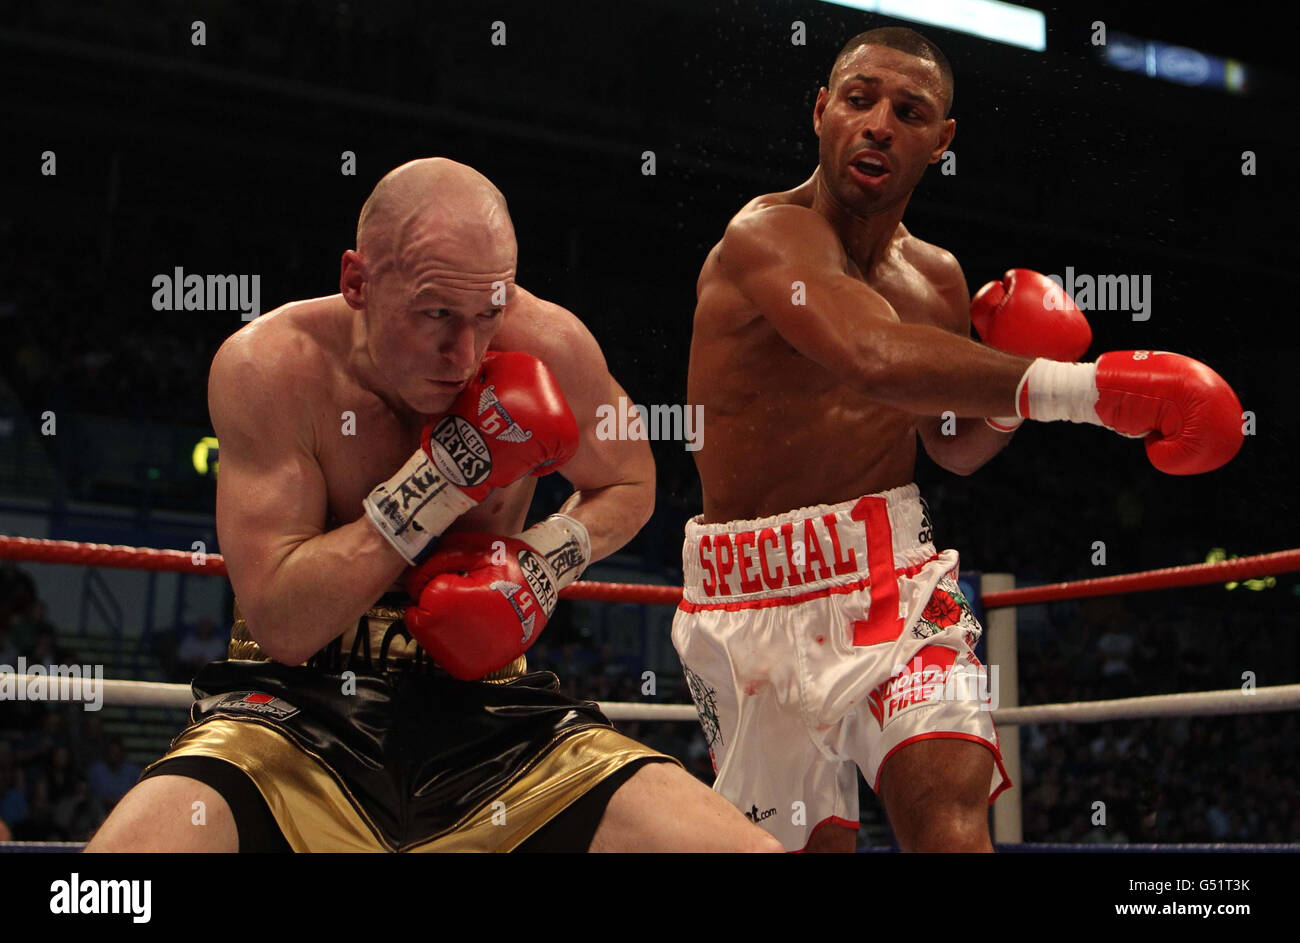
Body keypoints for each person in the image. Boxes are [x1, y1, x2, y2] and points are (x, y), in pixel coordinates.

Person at [88, 158, 779, 853]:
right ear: (356, 280)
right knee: (104, 886)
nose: (465, 352)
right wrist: (439, 480)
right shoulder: (270, 367)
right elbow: (284, 622)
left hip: (493, 714)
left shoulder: (548, 346)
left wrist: (545, 556)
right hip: (287, 713)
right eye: (436, 313)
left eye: (488, 313)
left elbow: (630, 482)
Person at [672, 27, 1244, 852]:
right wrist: (1089, 390)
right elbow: (871, 357)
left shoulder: (935, 278)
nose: (879, 124)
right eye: (860, 99)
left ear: (942, 142)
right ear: (821, 109)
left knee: (950, 819)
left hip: (893, 578)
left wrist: (1011, 397)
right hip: (751, 595)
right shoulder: (765, 237)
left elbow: (951, 445)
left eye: (910, 112)